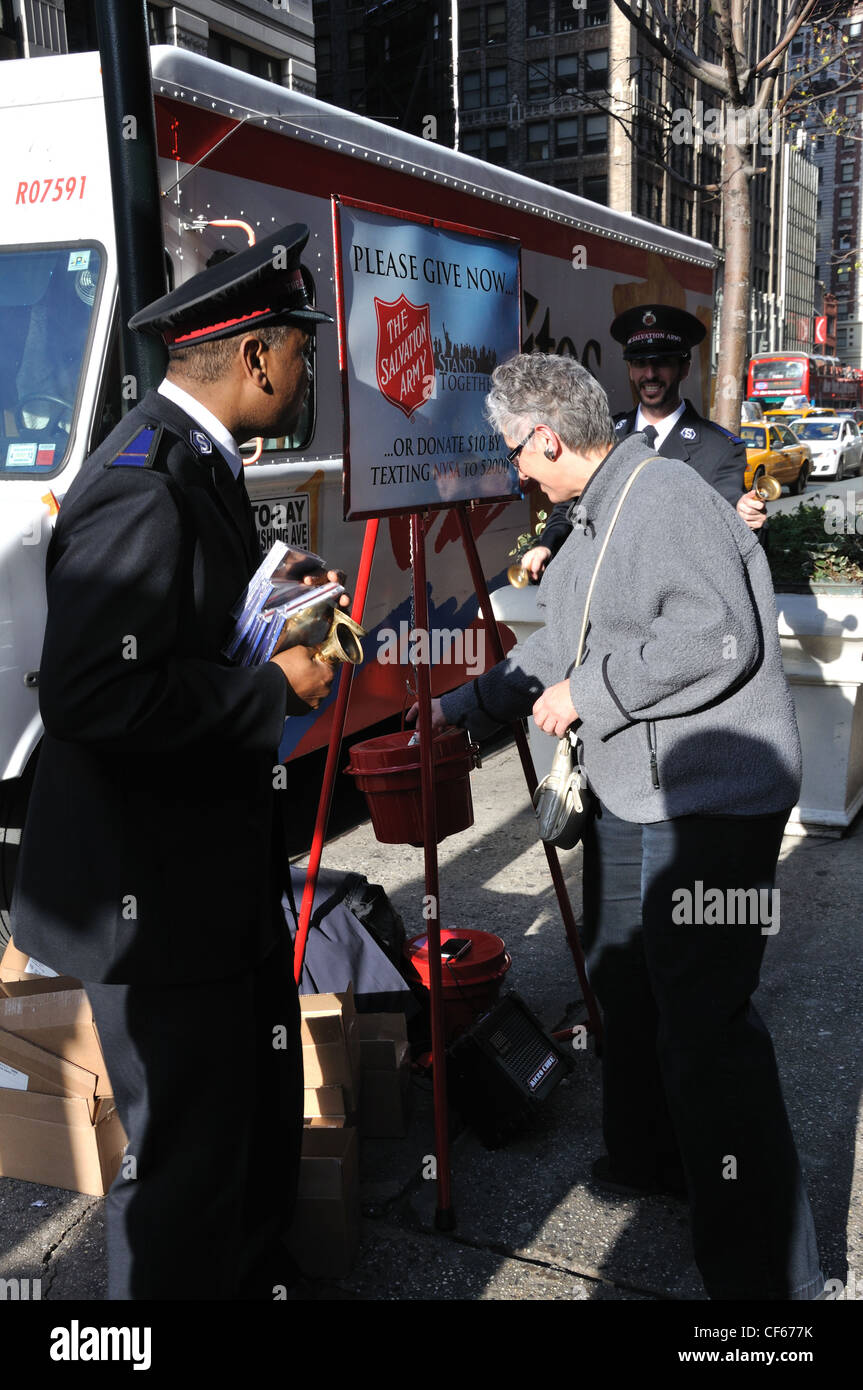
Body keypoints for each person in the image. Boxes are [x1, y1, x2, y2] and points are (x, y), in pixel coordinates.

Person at [419, 352, 824, 1300]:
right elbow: (569, 634)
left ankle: (766, 1278)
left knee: (706, 1026)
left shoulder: (665, 495)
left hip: (713, 807)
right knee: (623, 992)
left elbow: (717, 634)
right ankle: (653, 1162)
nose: (514, 470)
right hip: (637, 796)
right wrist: (459, 707)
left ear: (547, 437)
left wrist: (585, 693)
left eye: (515, 452)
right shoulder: (599, 505)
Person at [11, 224, 341, 1300]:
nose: (308, 370)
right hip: (150, 895)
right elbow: (92, 690)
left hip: (204, 873)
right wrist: (268, 690)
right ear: (254, 358)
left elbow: (169, 637)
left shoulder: (195, 456)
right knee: (183, 1173)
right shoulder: (144, 480)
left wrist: (269, 603)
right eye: (300, 347)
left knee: (242, 1121)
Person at [520, 304, 766, 578]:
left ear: (684, 368)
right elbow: (572, 503)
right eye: (640, 363)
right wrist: (548, 546)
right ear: (629, 369)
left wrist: (746, 514)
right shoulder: (604, 435)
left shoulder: (719, 449)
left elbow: (729, 513)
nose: (649, 375)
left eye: (661, 362)